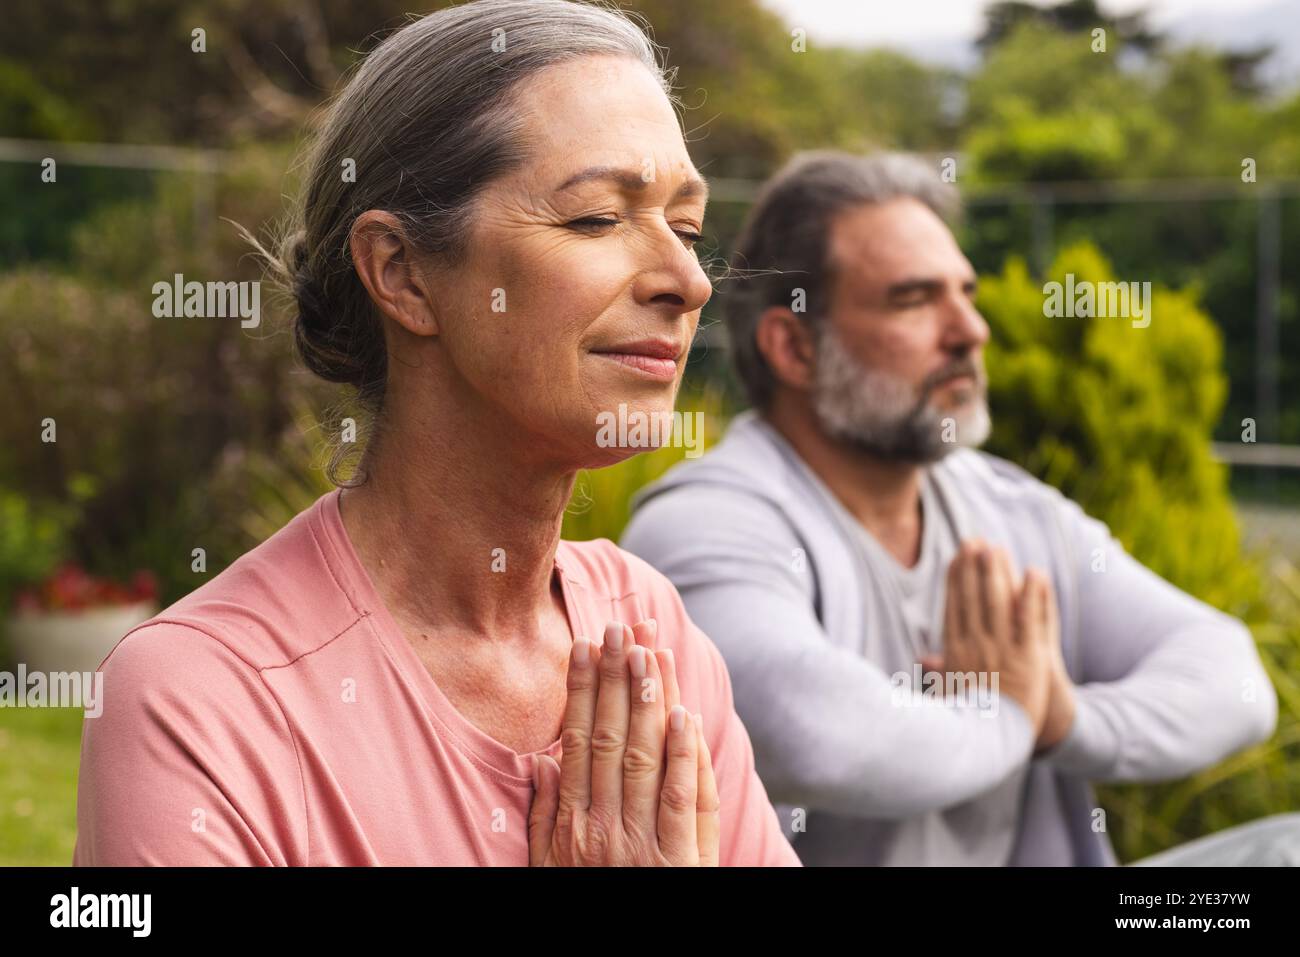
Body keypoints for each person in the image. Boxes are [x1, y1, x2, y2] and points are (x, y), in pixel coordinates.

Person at [72, 0, 799, 867]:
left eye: (686, 227)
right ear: (402, 274)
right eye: (599, 218)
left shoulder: (648, 636)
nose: (689, 280)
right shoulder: (203, 703)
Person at [620, 150, 1292, 866]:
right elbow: (814, 734)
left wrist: (1064, 717)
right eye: (914, 299)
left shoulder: (1010, 506)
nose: (971, 330)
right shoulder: (707, 521)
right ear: (794, 346)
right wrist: (1009, 710)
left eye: (965, 293)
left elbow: (1235, 682)